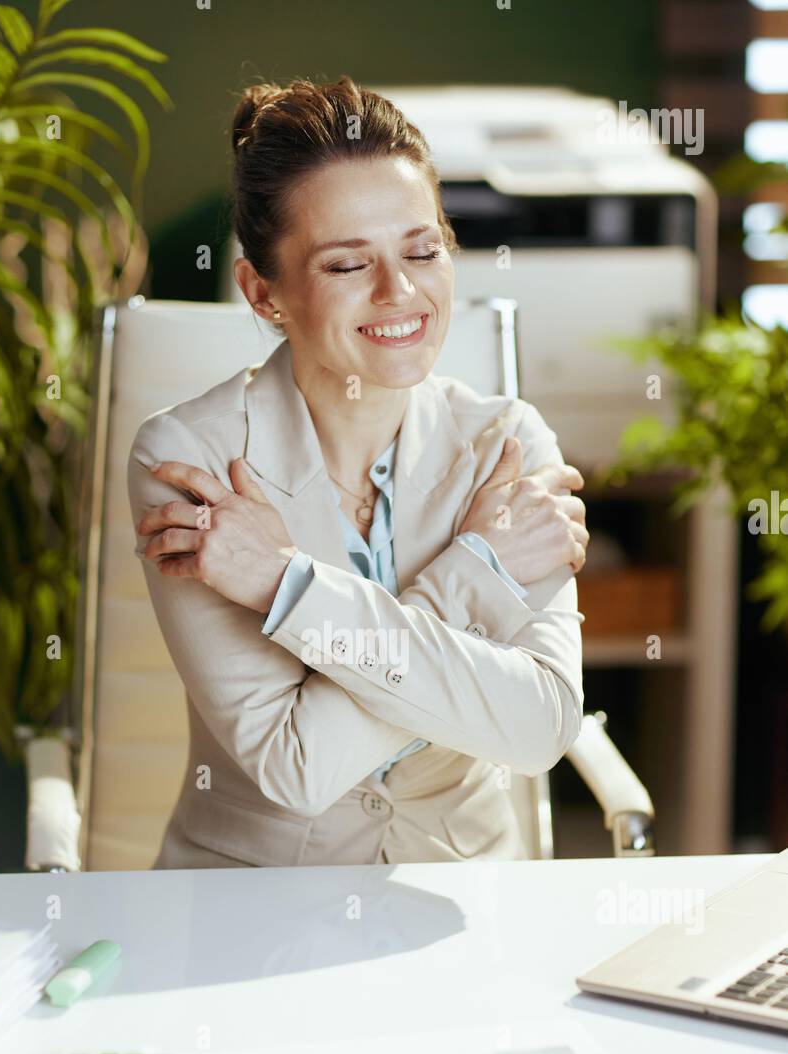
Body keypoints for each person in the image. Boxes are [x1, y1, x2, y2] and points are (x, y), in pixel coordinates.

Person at [127, 76, 589, 869]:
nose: (400, 291)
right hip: (252, 914)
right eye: (347, 265)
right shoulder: (189, 462)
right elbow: (296, 766)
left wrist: (286, 589)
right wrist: (480, 575)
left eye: (422, 249)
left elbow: (540, 726)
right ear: (263, 293)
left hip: (468, 909)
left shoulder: (506, 446)